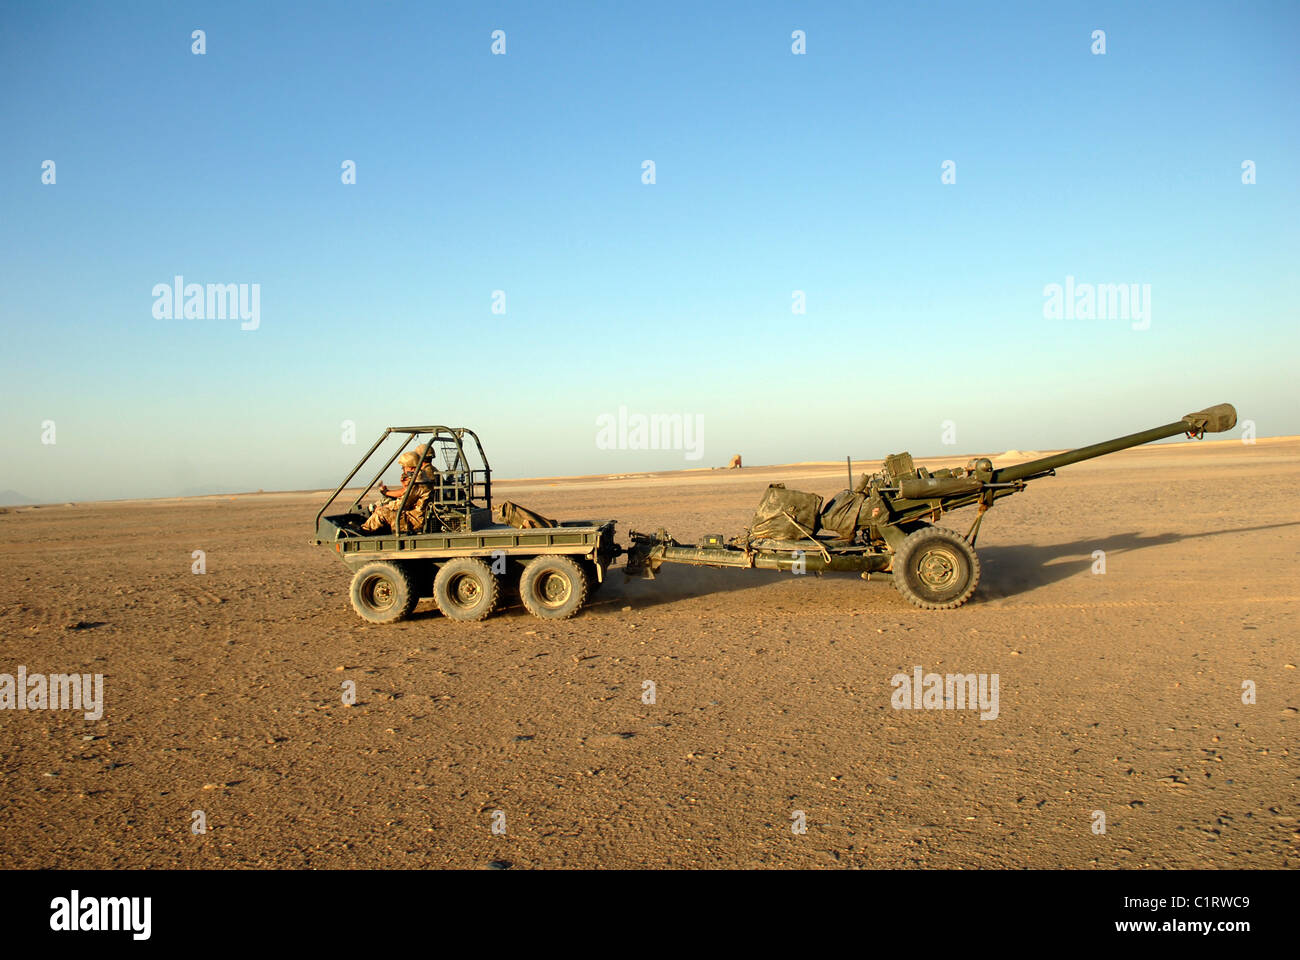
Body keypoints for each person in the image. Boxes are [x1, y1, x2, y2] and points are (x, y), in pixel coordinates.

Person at [361, 447, 435, 533]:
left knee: (381, 512)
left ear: (411, 468)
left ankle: (363, 532)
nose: (403, 470)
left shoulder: (417, 484)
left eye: (404, 468)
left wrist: (383, 507)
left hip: (414, 520)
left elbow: (402, 503)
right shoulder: (422, 478)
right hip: (417, 516)